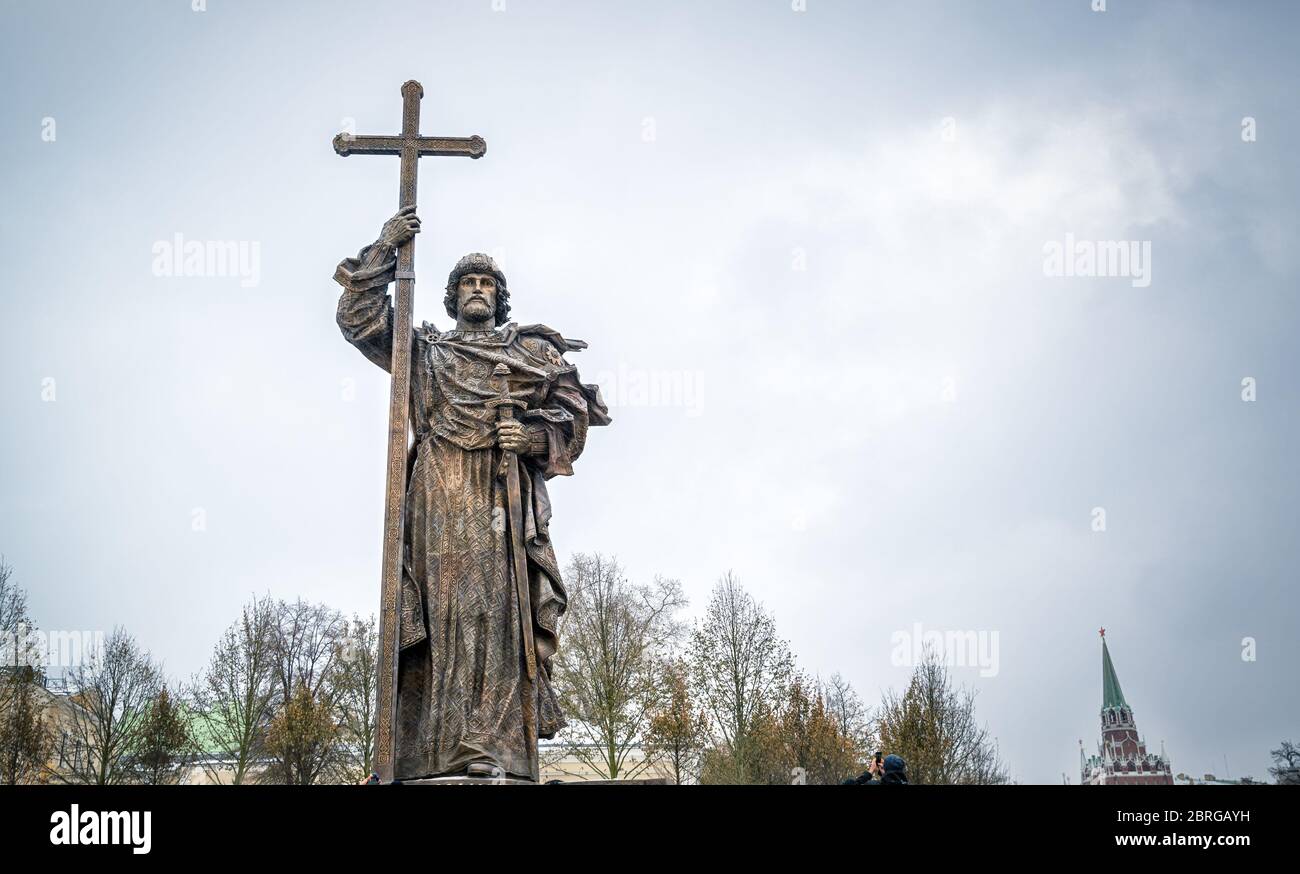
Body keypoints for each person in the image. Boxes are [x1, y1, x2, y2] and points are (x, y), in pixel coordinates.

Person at [336, 207, 611, 782]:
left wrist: (533, 435)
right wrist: (386, 247)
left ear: (500, 297)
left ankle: (490, 744)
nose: (478, 290)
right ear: (452, 296)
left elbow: (576, 415)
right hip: (437, 493)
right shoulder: (427, 353)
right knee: (444, 614)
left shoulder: (522, 356)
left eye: (487, 282)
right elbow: (360, 321)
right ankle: (435, 747)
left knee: (497, 612)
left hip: (499, 494)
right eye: (468, 282)